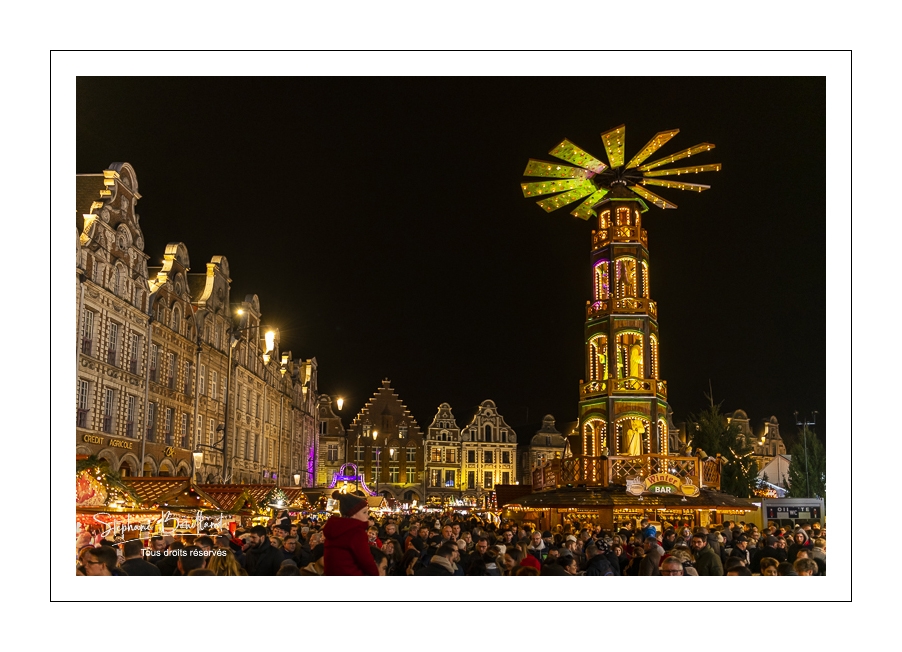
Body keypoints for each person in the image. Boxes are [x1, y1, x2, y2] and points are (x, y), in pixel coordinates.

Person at [323, 491, 380, 576]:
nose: (367, 516)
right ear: (353, 514)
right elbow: (366, 561)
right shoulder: (356, 532)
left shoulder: (335, 530)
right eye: (364, 512)